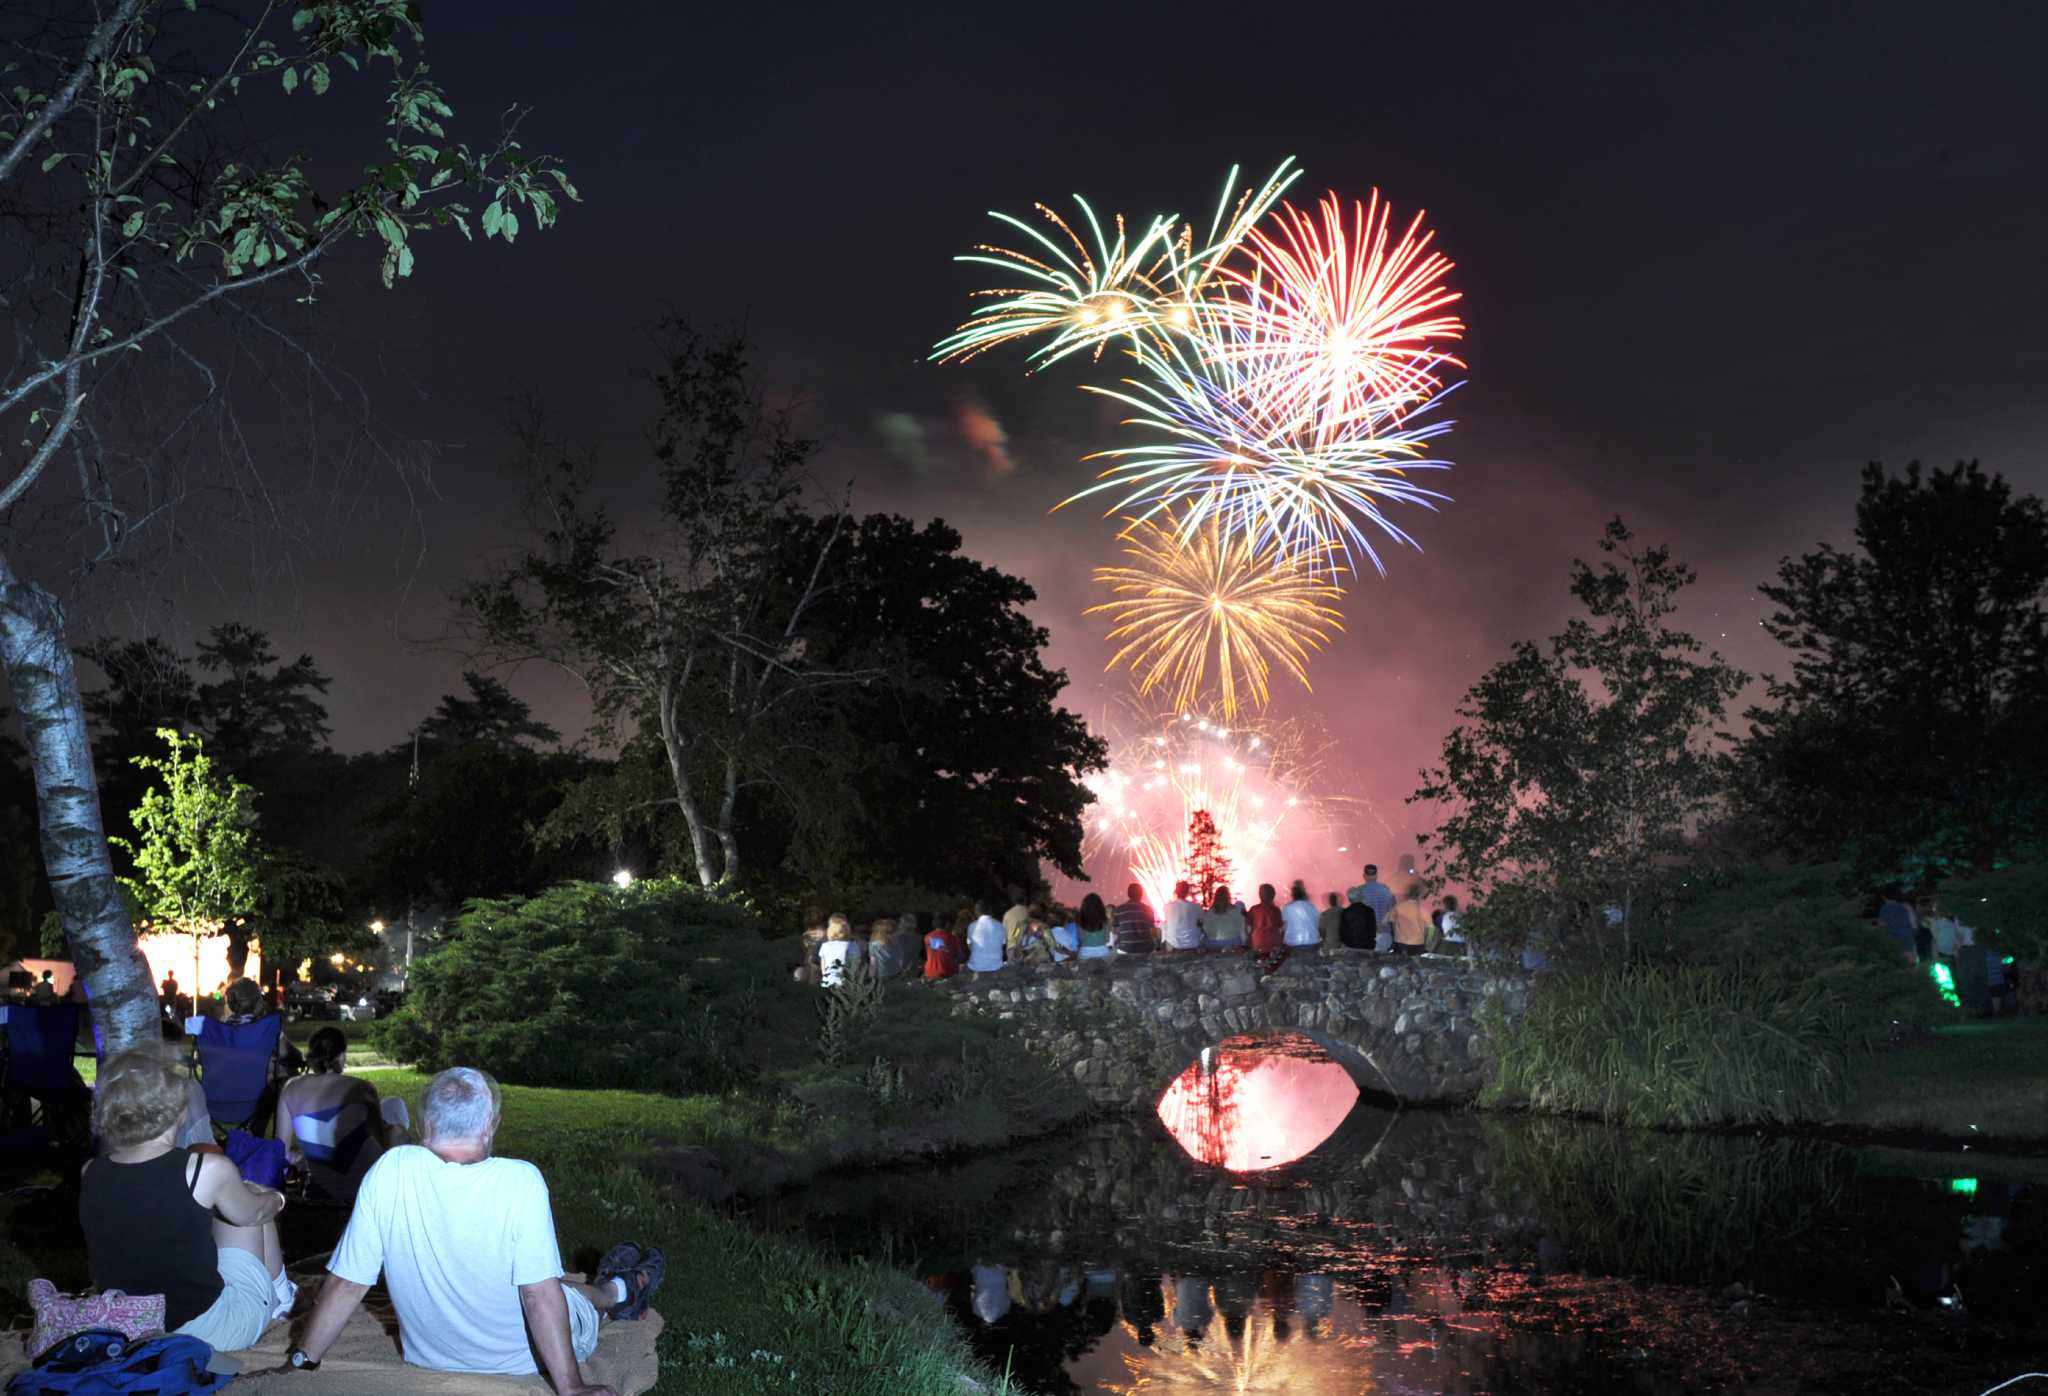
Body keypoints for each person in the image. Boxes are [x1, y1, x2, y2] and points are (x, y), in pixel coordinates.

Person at [293, 1067, 659, 1392]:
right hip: (526, 1361)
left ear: (425, 1125)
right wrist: (572, 1387)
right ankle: (617, 1291)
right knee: (558, 1290)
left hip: (429, 1359)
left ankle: (612, 1290)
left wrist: (303, 1361)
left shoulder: (391, 1170)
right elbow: (538, 1298)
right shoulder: (520, 1181)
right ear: (490, 1125)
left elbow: (348, 1283)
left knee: (548, 1279)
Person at [79, 1047, 295, 1354]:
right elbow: (253, 1215)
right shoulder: (205, 1169)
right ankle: (281, 1299)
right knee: (251, 1197)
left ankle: (280, 1295)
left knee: (227, 1202)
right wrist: (277, 1198)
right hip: (209, 1330)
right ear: (181, 1111)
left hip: (130, 1326)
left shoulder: (91, 1171)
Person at [276, 1026, 407, 1205]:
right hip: (366, 1186)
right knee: (396, 1112)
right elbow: (382, 1140)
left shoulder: (290, 1088)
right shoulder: (362, 1088)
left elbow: (280, 1149)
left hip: (321, 1187)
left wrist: (303, 1159)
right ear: (341, 1056)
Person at [1346, 864, 1396, 939]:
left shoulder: (1359, 891)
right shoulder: (1387, 891)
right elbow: (1393, 913)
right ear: (1376, 875)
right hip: (1384, 934)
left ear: (1364, 875)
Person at [817, 914, 866, 987]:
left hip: (828, 981)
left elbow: (823, 967)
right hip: (847, 982)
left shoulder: (825, 946)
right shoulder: (852, 946)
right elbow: (856, 965)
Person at [1876, 886, 1918, 961]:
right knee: (1911, 968)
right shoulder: (1906, 906)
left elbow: (1881, 927)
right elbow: (1914, 926)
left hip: (1894, 943)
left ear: (1884, 897)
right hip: (1909, 941)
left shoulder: (1884, 909)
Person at [1114, 884, 1158, 955]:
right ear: (1141, 894)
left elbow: (1116, 931)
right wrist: (1157, 943)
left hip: (1125, 949)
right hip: (1145, 948)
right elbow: (1152, 930)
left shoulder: (1119, 910)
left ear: (1128, 894)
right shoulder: (1148, 909)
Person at [1389, 883, 1431, 956]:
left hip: (1399, 943)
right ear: (1420, 896)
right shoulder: (1424, 911)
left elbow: (1393, 926)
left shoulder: (1398, 907)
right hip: (1417, 945)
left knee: (1398, 965)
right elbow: (1426, 932)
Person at [965, 901, 1007, 973]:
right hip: (996, 965)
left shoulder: (971, 926)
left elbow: (969, 946)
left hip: (976, 965)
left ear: (976, 912)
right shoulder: (1000, 926)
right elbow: (1002, 945)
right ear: (990, 911)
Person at [1161, 881, 1203, 952]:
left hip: (1173, 944)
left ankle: (1161, 948)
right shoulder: (1196, 906)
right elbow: (1201, 922)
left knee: (1164, 924)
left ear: (1176, 892)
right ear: (1187, 892)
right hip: (1192, 943)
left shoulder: (1167, 907)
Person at [1074, 893, 1114, 961]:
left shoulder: (1080, 920)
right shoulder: (1105, 920)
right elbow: (1107, 939)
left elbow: (1081, 939)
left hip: (1085, 953)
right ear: (1100, 906)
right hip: (1103, 952)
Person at [922, 916, 964, 980]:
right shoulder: (952, 938)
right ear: (947, 924)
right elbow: (960, 957)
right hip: (947, 973)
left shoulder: (927, 937)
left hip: (929, 972)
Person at [1248, 885, 1285, 954]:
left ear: (1260, 895)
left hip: (1258, 943)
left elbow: (1248, 927)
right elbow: (1281, 927)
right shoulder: (1276, 910)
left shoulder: (1254, 909)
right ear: (1273, 896)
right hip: (1274, 942)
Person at [1282, 881, 1321, 947]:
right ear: (1304, 894)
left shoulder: (1287, 908)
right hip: (1312, 942)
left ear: (1292, 895)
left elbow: (1283, 926)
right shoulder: (1312, 906)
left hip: (1292, 943)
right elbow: (1318, 924)